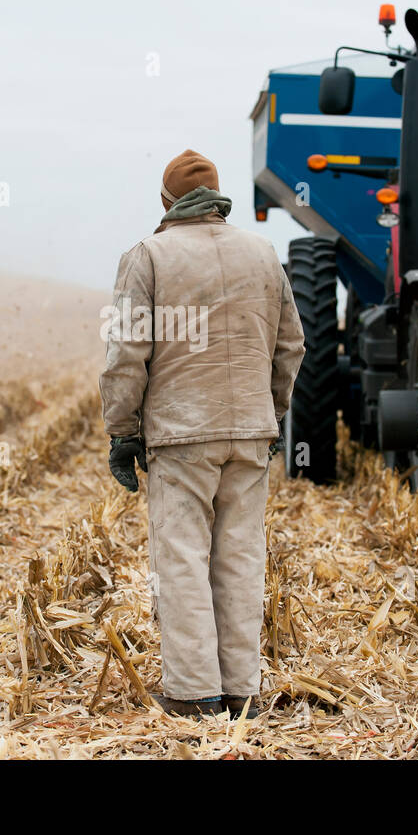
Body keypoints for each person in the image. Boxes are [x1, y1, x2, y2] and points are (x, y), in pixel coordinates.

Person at [98, 148, 305, 720]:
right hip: (250, 434)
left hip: (182, 434)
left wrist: (123, 433)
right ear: (216, 198)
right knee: (240, 556)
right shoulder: (262, 255)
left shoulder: (149, 256)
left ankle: (193, 694)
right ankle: (242, 691)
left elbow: (125, 355)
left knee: (183, 558)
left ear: (167, 202)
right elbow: (292, 345)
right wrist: (273, 416)